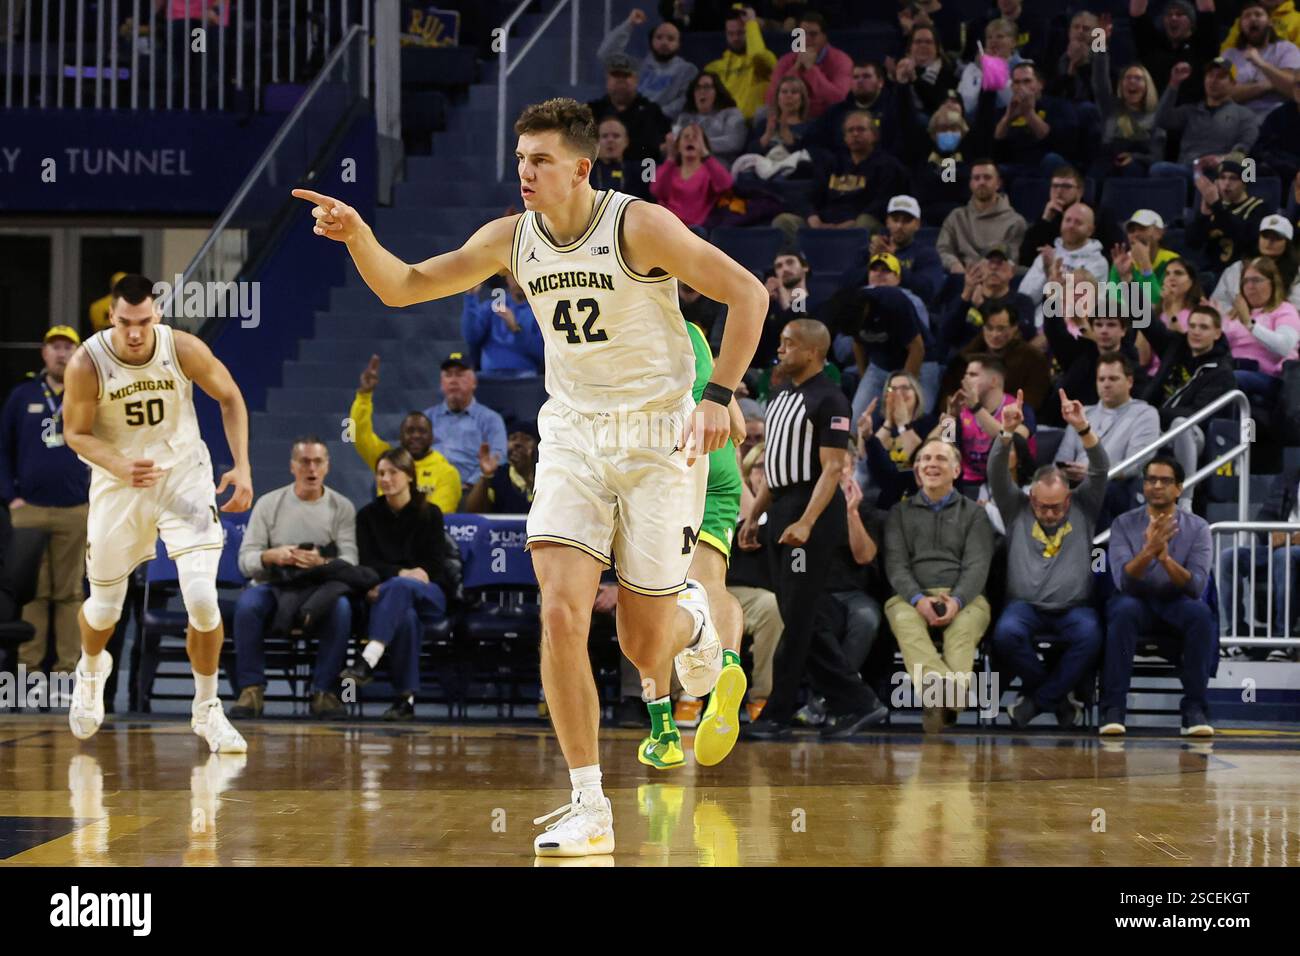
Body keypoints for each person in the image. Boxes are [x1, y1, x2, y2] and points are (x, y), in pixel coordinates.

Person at [293, 96, 765, 858]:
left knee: (647, 650)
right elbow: (405, 285)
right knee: (560, 612)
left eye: (540, 161)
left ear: (581, 168)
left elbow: (749, 293)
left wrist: (720, 394)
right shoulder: (512, 239)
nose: (525, 173)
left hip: (655, 440)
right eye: (520, 161)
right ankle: (588, 801)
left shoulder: (639, 225)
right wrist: (358, 237)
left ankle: (701, 629)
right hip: (574, 435)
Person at [61, 273, 252, 751]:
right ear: (112, 317)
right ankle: (90, 669)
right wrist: (119, 464)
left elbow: (230, 397)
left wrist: (243, 466)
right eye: (125, 322)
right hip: (118, 482)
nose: (134, 332)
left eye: (143, 321)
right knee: (105, 606)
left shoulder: (181, 348)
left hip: (182, 474)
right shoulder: (87, 362)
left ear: (157, 315)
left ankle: (207, 708)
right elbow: (76, 433)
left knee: (203, 599)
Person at [739, 319, 889, 740]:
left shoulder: (830, 399)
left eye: (789, 344)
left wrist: (806, 521)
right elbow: (775, 466)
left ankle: (778, 713)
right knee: (798, 615)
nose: (781, 350)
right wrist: (756, 516)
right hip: (782, 507)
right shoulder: (783, 394)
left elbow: (832, 469)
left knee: (799, 617)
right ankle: (859, 703)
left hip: (813, 510)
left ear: (812, 352)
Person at [639, 318, 749, 769]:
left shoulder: (626, 321)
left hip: (667, 458)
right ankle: (728, 662)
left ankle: (663, 728)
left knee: (651, 600)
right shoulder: (698, 333)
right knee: (712, 584)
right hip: (719, 460)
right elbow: (738, 424)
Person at [991, 389, 1108, 728]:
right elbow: (997, 473)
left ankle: (1037, 701)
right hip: (1024, 608)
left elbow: (1100, 470)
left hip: (1074, 609)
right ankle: (1059, 701)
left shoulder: (1084, 508)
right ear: (1031, 498)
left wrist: (1083, 429)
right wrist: (1006, 432)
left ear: (1068, 499)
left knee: (1091, 636)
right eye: (1041, 505)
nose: (1048, 512)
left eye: (1056, 506)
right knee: (1006, 634)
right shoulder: (1016, 509)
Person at [230, 437, 357, 720]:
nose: (311, 469)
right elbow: (245, 560)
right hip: (273, 583)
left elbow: (351, 561)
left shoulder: (342, 507)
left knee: (343, 608)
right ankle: (251, 690)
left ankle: (325, 692)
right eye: (304, 462)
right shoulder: (268, 503)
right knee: (247, 605)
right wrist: (271, 556)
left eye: (317, 462)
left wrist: (322, 562)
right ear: (292, 467)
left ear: (327, 467)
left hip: (320, 587)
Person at [883, 438, 995, 733]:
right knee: (906, 624)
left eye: (941, 459)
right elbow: (896, 566)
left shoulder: (975, 514)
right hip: (911, 597)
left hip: (965, 596)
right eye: (925, 459)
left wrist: (956, 601)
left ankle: (938, 705)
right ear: (917, 470)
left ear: (957, 470)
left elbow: (977, 566)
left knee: (961, 633)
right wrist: (919, 600)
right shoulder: (899, 513)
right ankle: (951, 699)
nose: (932, 464)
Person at [1102, 456, 1216, 737]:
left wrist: (1165, 559)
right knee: (1122, 610)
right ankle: (1113, 708)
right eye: (1151, 480)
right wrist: (1148, 551)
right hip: (1136, 600)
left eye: (1165, 481)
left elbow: (1196, 587)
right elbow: (1124, 581)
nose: (1156, 486)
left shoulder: (1198, 528)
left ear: (1179, 488)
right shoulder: (1123, 524)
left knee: (1201, 614)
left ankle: (1194, 710)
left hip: (1176, 601)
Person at [0, 326, 90, 680]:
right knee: (31, 593)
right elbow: (3, 449)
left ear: (78, 353)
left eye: (68, 347)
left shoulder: (88, 394)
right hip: (30, 510)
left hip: (75, 509)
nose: (61, 353)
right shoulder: (22, 396)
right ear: (44, 352)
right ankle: (29, 675)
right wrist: (12, 498)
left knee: (70, 593)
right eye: (55, 347)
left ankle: (68, 674)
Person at [342, 449, 451, 721]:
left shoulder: (431, 513)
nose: (386, 478)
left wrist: (403, 578)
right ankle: (406, 699)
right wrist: (401, 572)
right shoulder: (367, 515)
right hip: (391, 597)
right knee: (406, 616)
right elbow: (367, 563)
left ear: (409, 476)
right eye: (381, 473)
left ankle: (369, 657)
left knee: (401, 589)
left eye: (393, 472)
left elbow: (436, 566)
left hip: (430, 594)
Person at [1142, 304, 1237, 499]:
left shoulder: (1222, 372)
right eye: (1192, 326)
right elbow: (1145, 321)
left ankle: (1186, 499)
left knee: (1180, 424)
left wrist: (1151, 414)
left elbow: (1196, 414)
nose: (1195, 332)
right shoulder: (1176, 346)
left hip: (1195, 435)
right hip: (1155, 425)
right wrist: (1126, 282)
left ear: (1217, 333)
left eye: (1203, 327)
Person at [348, 356, 463, 515]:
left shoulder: (446, 472)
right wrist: (364, 395)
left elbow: (439, 517)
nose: (416, 436)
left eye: (422, 431)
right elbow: (355, 434)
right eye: (410, 431)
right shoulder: (386, 459)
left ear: (431, 437)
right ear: (401, 436)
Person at [1216, 462, 1300, 636]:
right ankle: (1237, 632)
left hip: (1288, 551)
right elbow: (1264, 515)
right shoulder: (1291, 476)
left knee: (1283, 556)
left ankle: (1282, 637)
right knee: (1228, 557)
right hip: (1280, 543)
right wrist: (1272, 529)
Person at [937, 355, 1036, 497]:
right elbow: (946, 450)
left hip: (1012, 482)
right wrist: (950, 418)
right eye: (965, 374)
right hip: (968, 485)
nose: (964, 380)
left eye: (973, 375)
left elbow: (1015, 440)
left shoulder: (1019, 408)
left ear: (993, 381)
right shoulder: (963, 409)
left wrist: (976, 409)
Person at [1151, 58, 1261, 185]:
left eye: (1220, 77)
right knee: (1159, 169)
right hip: (1188, 171)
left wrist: (1222, 159)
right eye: (1210, 75)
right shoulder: (1190, 111)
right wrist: (1174, 84)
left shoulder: (1244, 114)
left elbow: (1245, 146)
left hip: (1221, 173)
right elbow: (1161, 120)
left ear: (1233, 83)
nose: (1213, 80)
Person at [940, 301, 1052, 410]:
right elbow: (947, 396)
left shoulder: (1033, 358)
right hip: (964, 419)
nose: (995, 334)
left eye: (1001, 329)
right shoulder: (964, 357)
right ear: (983, 327)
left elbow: (1033, 400)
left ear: (1014, 327)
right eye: (989, 328)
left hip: (1010, 420)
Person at [421, 352, 509, 489]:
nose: (453, 380)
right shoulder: (426, 418)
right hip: (430, 487)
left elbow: (499, 456)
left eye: (460, 374)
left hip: (472, 489)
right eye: (448, 375)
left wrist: (471, 483)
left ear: (474, 382)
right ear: (441, 383)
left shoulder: (490, 419)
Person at [1221, 255, 1300, 406]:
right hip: (1232, 368)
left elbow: (1284, 347)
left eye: (1256, 280)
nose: (1250, 286)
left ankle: (1246, 430)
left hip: (1269, 377)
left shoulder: (1284, 310)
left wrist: (1250, 324)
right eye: (1246, 281)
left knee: (1233, 379)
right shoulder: (1233, 314)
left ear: (1273, 284)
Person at [1018, 202, 1110, 328]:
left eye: (1078, 222)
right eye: (1068, 220)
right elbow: (1026, 297)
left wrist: (1050, 271)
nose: (1071, 226)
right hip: (1037, 323)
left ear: (1090, 230)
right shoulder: (1047, 255)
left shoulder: (1098, 263)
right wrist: (1047, 271)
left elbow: (1074, 303)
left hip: (1072, 328)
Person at [597, 9, 697, 121]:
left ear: (679, 44)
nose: (664, 43)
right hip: (629, 121)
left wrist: (652, 115)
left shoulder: (687, 70)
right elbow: (605, 55)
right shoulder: (636, 66)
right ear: (651, 42)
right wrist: (629, 24)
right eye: (659, 37)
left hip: (663, 125)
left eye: (671, 39)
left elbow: (683, 102)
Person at [858, 370, 939, 509]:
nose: (898, 393)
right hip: (884, 496)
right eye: (892, 389)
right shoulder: (879, 423)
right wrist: (889, 422)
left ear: (916, 394)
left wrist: (903, 424)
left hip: (918, 496)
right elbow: (868, 456)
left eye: (905, 388)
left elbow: (908, 458)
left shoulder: (930, 423)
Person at [1019, 166, 1124, 267]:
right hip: (1051, 276)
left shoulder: (1101, 215)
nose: (1059, 191)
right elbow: (1025, 259)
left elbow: (1118, 252)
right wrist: (1045, 220)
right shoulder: (1048, 216)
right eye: (1055, 186)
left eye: (1066, 186)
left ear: (1080, 191)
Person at [992, 62, 1078, 183]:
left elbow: (1057, 143)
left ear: (1040, 84)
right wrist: (1008, 118)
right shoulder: (1004, 112)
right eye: (1016, 82)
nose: (1021, 87)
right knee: (991, 170)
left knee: (1051, 160)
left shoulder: (1058, 106)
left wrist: (1029, 114)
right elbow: (996, 147)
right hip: (1017, 167)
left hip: (1046, 164)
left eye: (1027, 81)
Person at [1090, 43, 1165, 180]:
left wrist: (1134, 157)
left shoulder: (1155, 117)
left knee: (1132, 169)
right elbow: (1099, 80)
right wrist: (1100, 38)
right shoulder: (1110, 109)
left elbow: (1157, 157)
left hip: (1135, 171)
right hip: (1106, 166)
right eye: (1127, 78)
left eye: (1138, 78)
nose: (1132, 82)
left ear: (1147, 87)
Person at [936, 161, 1028, 273]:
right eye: (976, 178)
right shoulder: (956, 217)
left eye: (987, 177)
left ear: (998, 183)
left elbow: (1011, 260)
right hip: (962, 278)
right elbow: (943, 249)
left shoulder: (1015, 222)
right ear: (970, 183)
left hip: (996, 279)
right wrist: (954, 265)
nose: (981, 182)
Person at [941, 245, 1036, 350]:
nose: (994, 268)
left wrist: (982, 306)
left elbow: (1026, 334)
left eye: (1000, 263)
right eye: (990, 262)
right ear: (980, 268)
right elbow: (945, 336)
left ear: (1012, 271)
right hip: (966, 359)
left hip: (1004, 361)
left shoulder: (1022, 301)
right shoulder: (965, 297)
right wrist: (966, 295)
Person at [1186, 153, 1270, 269]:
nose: (1226, 183)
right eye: (1222, 177)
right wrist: (1204, 216)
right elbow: (1192, 243)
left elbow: (1245, 240)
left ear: (1245, 182)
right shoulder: (1215, 207)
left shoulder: (1258, 207)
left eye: (1233, 178)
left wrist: (1216, 206)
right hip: (1210, 272)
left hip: (1240, 272)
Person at [588, 54, 672, 169]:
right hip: (599, 177)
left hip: (643, 178)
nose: (621, 80)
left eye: (626, 75)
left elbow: (664, 148)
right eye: (616, 75)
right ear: (607, 80)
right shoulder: (592, 111)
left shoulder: (652, 112)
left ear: (636, 80)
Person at [764, 11, 853, 120]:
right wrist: (796, 67)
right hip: (791, 117)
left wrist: (811, 69)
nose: (806, 39)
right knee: (762, 114)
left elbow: (840, 99)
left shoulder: (841, 60)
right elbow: (771, 98)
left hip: (826, 118)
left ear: (824, 37)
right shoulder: (786, 60)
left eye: (813, 34)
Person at [1220, 0, 1300, 119]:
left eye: (1258, 14)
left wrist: (1260, 63)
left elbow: (1294, 90)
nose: (1253, 18)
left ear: (1270, 22)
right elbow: (1222, 95)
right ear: (1240, 26)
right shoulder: (1227, 54)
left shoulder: (1288, 49)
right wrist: (1271, 84)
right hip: (1234, 118)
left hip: (1276, 116)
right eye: (1247, 16)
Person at [1131, 0, 1222, 102]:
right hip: (1155, 112)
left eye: (1180, 14)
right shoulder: (1154, 45)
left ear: (1191, 22)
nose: (1173, 18)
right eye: (1169, 15)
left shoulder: (1202, 45)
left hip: (1194, 112)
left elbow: (1207, 10)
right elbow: (1137, 14)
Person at [1210, 214, 1300, 313]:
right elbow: (1218, 302)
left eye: (1277, 238)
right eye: (1265, 236)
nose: (1269, 242)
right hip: (1235, 323)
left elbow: (1296, 309)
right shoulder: (1238, 268)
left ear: (1287, 244)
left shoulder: (1297, 273)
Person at [461, 271, 545, 377]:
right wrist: (471, 296)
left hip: (525, 375)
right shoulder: (491, 306)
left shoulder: (539, 310)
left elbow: (541, 354)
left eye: (522, 274)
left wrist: (516, 328)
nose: (518, 280)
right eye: (514, 275)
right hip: (489, 375)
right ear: (506, 278)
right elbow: (471, 337)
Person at [651, 123, 734, 230]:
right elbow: (655, 190)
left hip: (696, 230)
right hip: (669, 226)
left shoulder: (710, 170)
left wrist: (705, 154)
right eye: (686, 137)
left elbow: (726, 185)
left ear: (703, 145)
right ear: (678, 146)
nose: (690, 139)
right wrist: (671, 157)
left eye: (695, 137)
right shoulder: (670, 169)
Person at [704, 6, 777, 120]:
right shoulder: (714, 68)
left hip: (754, 124)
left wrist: (751, 23)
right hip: (724, 126)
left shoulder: (765, 60)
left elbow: (758, 55)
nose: (735, 38)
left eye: (740, 33)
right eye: (730, 34)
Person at [866, 195, 944, 302]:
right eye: (895, 220)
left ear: (917, 224)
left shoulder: (927, 254)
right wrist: (871, 262)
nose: (899, 226)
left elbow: (929, 290)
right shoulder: (873, 249)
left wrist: (894, 263)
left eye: (906, 221)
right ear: (887, 222)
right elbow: (846, 284)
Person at [671, 71, 747, 166]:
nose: (701, 92)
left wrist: (700, 143)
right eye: (697, 88)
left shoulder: (731, 113)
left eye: (706, 87)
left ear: (717, 92)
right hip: (686, 164)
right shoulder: (685, 117)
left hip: (717, 164)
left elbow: (734, 142)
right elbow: (676, 143)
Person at [463, 420, 539, 514]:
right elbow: (473, 512)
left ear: (538, 446)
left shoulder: (547, 474)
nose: (517, 443)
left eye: (527, 439)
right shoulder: (498, 475)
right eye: (513, 438)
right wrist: (485, 476)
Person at [893, 24, 960, 118]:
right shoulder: (901, 69)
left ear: (937, 49)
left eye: (928, 42)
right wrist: (901, 83)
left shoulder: (949, 72)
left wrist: (915, 80)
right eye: (918, 42)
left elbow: (940, 103)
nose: (923, 45)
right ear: (909, 49)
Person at [590, 116, 652, 200]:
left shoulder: (642, 170)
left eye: (616, 136)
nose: (610, 140)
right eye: (604, 136)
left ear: (626, 141)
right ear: (596, 142)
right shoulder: (587, 171)